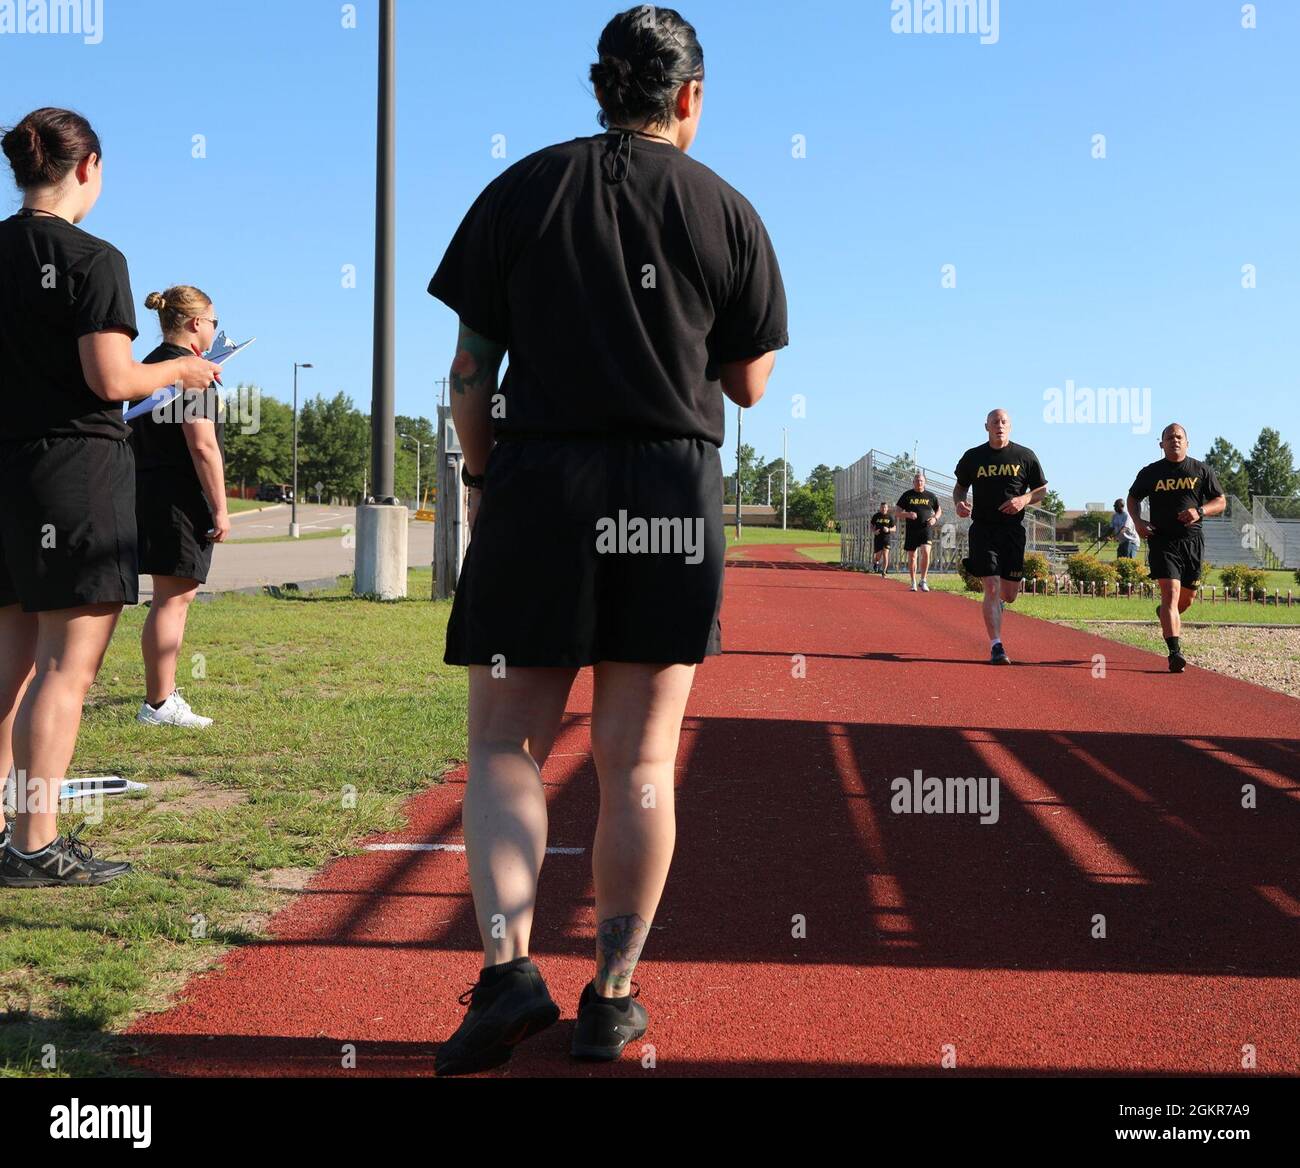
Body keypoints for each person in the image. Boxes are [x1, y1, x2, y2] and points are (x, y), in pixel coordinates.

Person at [426, 7, 787, 1074]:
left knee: (504, 744)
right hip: (669, 484)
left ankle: (505, 973)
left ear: (598, 89)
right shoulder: (726, 208)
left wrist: (486, 480)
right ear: (690, 97)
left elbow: (464, 376)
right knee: (638, 757)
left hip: (539, 477)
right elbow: (750, 383)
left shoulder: (521, 189)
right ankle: (613, 996)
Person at [0, 108, 220, 886]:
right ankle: (33, 843)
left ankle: (7, 829)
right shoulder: (93, 257)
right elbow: (113, 380)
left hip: (6, 471)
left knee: (9, 666)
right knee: (65, 668)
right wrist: (181, 373)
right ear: (87, 165)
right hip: (73, 472)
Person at [128, 286, 230, 729]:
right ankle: (159, 703)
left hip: (147, 489)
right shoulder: (191, 372)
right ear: (194, 324)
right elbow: (202, 443)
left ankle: (160, 697)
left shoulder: (151, 364)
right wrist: (221, 508)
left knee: (169, 596)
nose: (215, 330)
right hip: (178, 497)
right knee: (173, 598)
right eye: (212, 322)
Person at [1127, 423, 1225, 673]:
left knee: (1187, 599)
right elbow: (1133, 498)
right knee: (1170, 591)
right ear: (1161, 444)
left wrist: (1199, 511)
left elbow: (1220, 501)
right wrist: (1138, 522)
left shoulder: (1201, 470)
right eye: (1169, 438)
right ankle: (1175, 653)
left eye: (1179, 437)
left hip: (1192, 541)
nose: (1175, 441)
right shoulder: (1150, 472)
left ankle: (1165, 614)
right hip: (1162, 540)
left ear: (1187, 442)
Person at [954, 409, 1048, 665]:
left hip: (1013, 531)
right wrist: (960, 503)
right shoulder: (973, 457)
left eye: (1004, 422)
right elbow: (960, 487)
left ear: (1010, 427)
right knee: (992, 586)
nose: (999, 425)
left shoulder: (1024, 456)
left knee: (1009, 593)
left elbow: (1041, 489)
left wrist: (1024, 499)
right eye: (995, 422)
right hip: (983, 528)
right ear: (986, 426)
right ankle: (996, 645)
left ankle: (1000, 605)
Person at [895, 471, 941, 591]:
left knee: (926, 552)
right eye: (916, 480)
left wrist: (935, 519)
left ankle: (923, 580)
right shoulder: (907, 495)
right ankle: (913, 581)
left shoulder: (931, 496)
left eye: (921, 480)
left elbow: (939, 510)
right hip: (912, 530)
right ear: (913, 482)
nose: (919, 482)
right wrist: (907, 514)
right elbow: (897, 512)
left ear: (925, 482)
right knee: (912, 556)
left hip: (926, 528)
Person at [869, 501, 895, 575]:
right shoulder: (876, 516)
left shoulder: (890, 517)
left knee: (885, 554)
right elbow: (871, 525)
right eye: (882, 507)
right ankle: (876, 563)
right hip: (878, 538)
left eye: (885, 507)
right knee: (878, 555)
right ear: (880, 508)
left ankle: (884, 571)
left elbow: (894, 528)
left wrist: (888, 529)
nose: (883, 509)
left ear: (887, 508)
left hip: (886, 538)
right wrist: (874, 531)